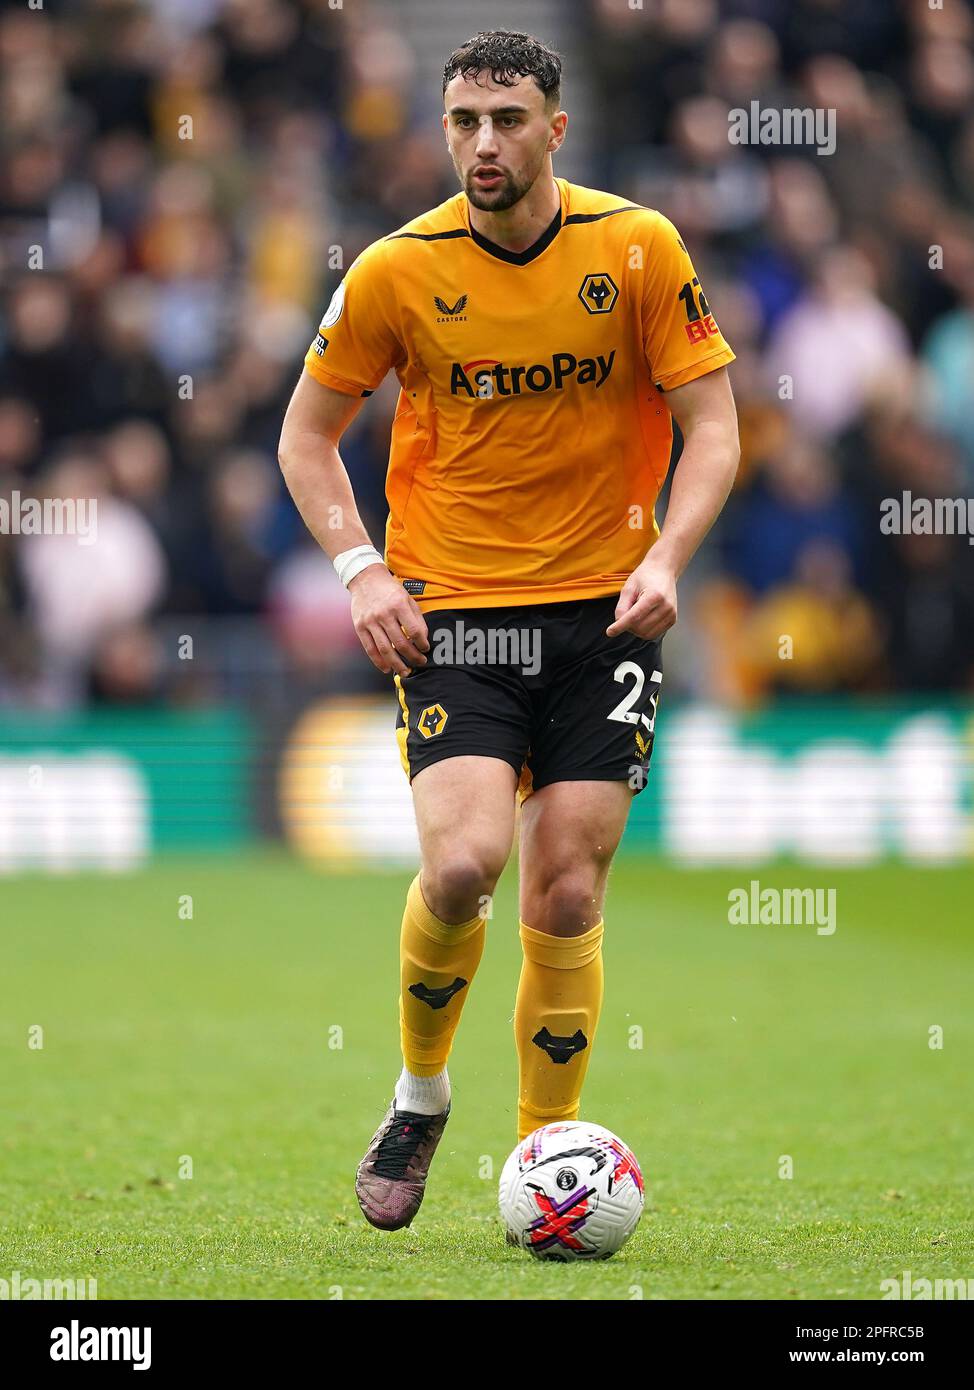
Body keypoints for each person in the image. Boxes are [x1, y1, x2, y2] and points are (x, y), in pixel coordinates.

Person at [278, 29, 740, 1232]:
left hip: (606, 613)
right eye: (463, 122)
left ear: (554, 129)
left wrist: (666, 558)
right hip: (457, 613)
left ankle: (544, 1158)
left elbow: (718, 427)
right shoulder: (393, 268)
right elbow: (303, 437)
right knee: (466, 861)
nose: (483, 143)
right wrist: (359, 569)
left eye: (506, 120)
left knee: (568, 889)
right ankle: (420, 1094)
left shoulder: (637, 249)